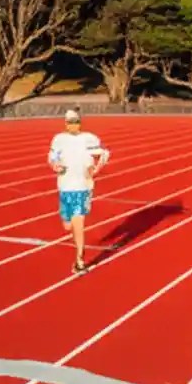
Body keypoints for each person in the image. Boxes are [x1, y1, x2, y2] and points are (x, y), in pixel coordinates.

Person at [48, 109, 110, 273]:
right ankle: (79, 254)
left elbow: (104, 152)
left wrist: (97, 168)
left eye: (76, 122)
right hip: (64, 186)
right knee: (68, 226)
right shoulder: (59, 140)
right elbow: (52, 156)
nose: (74, 125)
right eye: (70, 122)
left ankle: (80, 259)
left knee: (78, 224)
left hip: (82, 187)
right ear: (66, 124)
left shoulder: (89, 139)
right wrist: (55, 166)